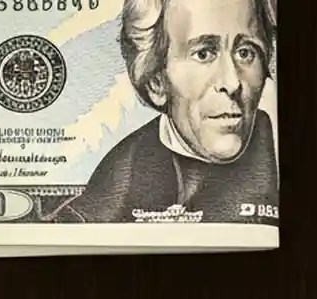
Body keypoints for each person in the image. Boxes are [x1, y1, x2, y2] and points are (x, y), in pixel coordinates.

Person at [46, 0, 278, 223]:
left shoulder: (276, 137)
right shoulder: (119, 183)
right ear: (156, 82)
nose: (232, 82)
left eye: (245, 52)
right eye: (204, 54)